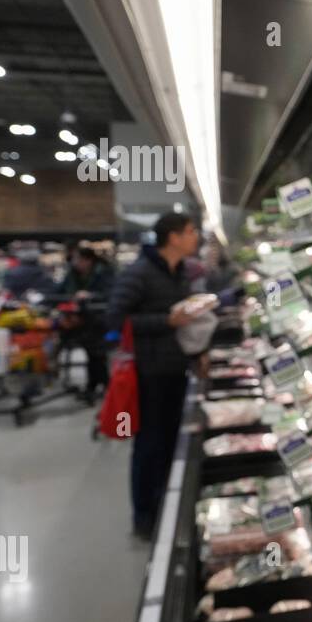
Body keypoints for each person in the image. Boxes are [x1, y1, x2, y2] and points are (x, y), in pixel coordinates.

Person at [107, 213, 202, 537]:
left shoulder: (180, 273)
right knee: (149, 444)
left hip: (174, 368)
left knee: (169, 442)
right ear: (173, 237)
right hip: (148, 373)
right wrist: (166, 322)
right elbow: (117, 320)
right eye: (191, 231)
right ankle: (144, 516)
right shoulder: (140, 273)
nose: (196, 236)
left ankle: (165, 508)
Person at [57, 246, 115, 398]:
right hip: (79, 321)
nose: (75, 262)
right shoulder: (72, 275)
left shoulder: (104, 273)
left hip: (99, 320)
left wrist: (90, 295)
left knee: (97, 354)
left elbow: (111, 294)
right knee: (92, 355)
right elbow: (60, 291)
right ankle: (98, 385)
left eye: (78, 259)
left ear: (88, 260)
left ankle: (99, 386)